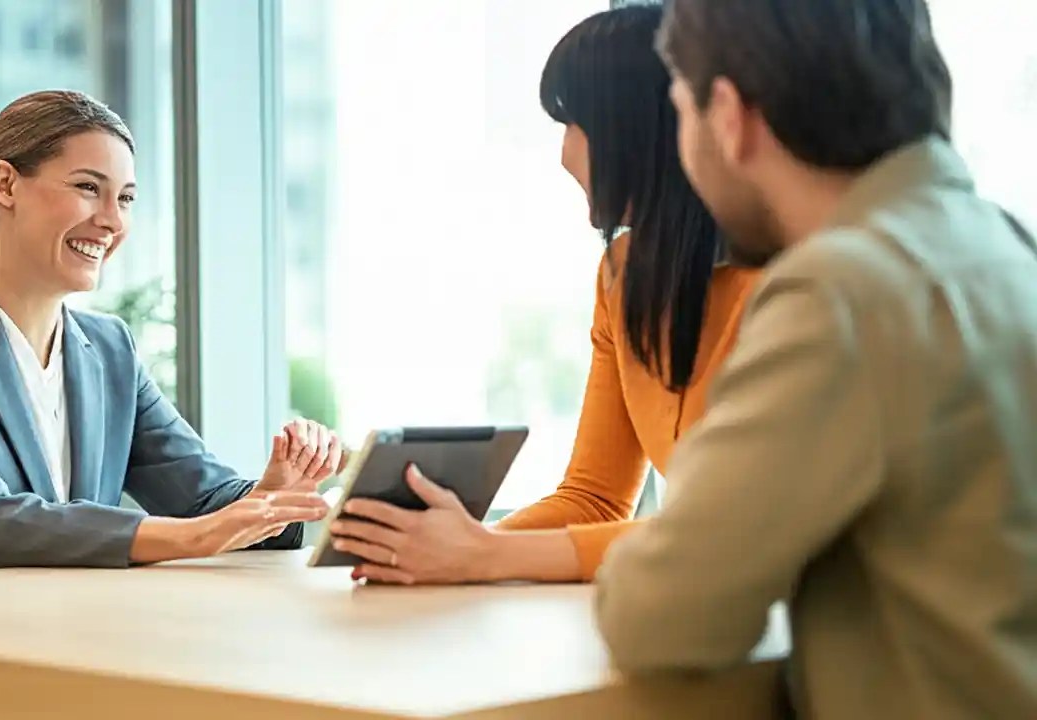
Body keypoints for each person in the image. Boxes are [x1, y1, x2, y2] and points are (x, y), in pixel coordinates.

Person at [594, 0, 1037, 717]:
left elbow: (658, 617)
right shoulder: (1004, 245)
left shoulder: (843, 293)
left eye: (681, 110)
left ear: (731, 118)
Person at [0, 90, 339, 579]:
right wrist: (194, 537)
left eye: (127, 198)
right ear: (5, 186)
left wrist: (270, 499)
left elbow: (202, 500)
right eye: (88, 188)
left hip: (42, 634)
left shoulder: (110, 350)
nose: (112, 221)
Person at [328, 3, 760, 584]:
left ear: (631, 127)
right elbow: (594, 497)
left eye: (572, 122)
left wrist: (483, 556)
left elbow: (725, 530)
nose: (562, 153)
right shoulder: (621, 275)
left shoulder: (782, 287)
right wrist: (445, 549)